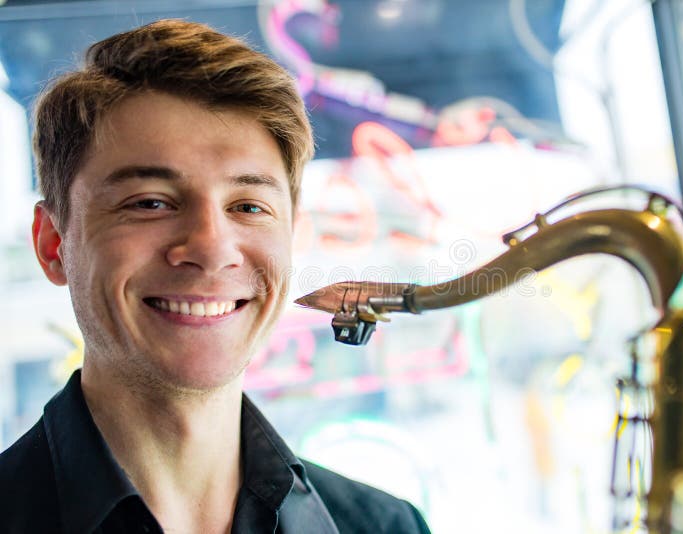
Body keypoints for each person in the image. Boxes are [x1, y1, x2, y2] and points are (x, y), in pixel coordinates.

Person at [0, 19, 431, 534]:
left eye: (248, 206)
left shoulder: (387, 526)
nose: (211, 249)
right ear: (53, 245)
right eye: (150, 203)